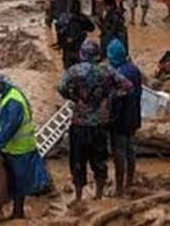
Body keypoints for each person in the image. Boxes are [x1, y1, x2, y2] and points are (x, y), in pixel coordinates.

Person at [56, 40, 133, 202]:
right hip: (99, 123)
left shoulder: (74, 71)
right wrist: (109, 96)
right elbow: (127, 86)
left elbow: (60, 87)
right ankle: (98, 195)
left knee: (77, 160)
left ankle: (78, 197)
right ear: (98, 54)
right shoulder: (106, 70)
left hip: (79, 122)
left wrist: (75, 98)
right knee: (99, 159)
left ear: (82, 53)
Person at [0, 73, 50, 220]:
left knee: (19, 182)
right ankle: (16, 210)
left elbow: (10, 127)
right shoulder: (11, 93)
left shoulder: (13, 100)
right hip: (15, 146)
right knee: (15, 180)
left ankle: (18, 212)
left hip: (20, 148)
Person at [106, 40, 143, 197]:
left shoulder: (119, 75)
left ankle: (119, 187)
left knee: (119, 152)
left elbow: (114, 100)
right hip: (133, 115)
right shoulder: (133, 69)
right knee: (130, 148)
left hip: (120, 119)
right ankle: (130, 181)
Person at [54, 0, 94, 68]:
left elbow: (58, 31)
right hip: (80, 50)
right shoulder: (82, 18)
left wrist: (62, 42)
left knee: (69, 72)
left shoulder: (62, 18)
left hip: (67, 51)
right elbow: (91, 28)